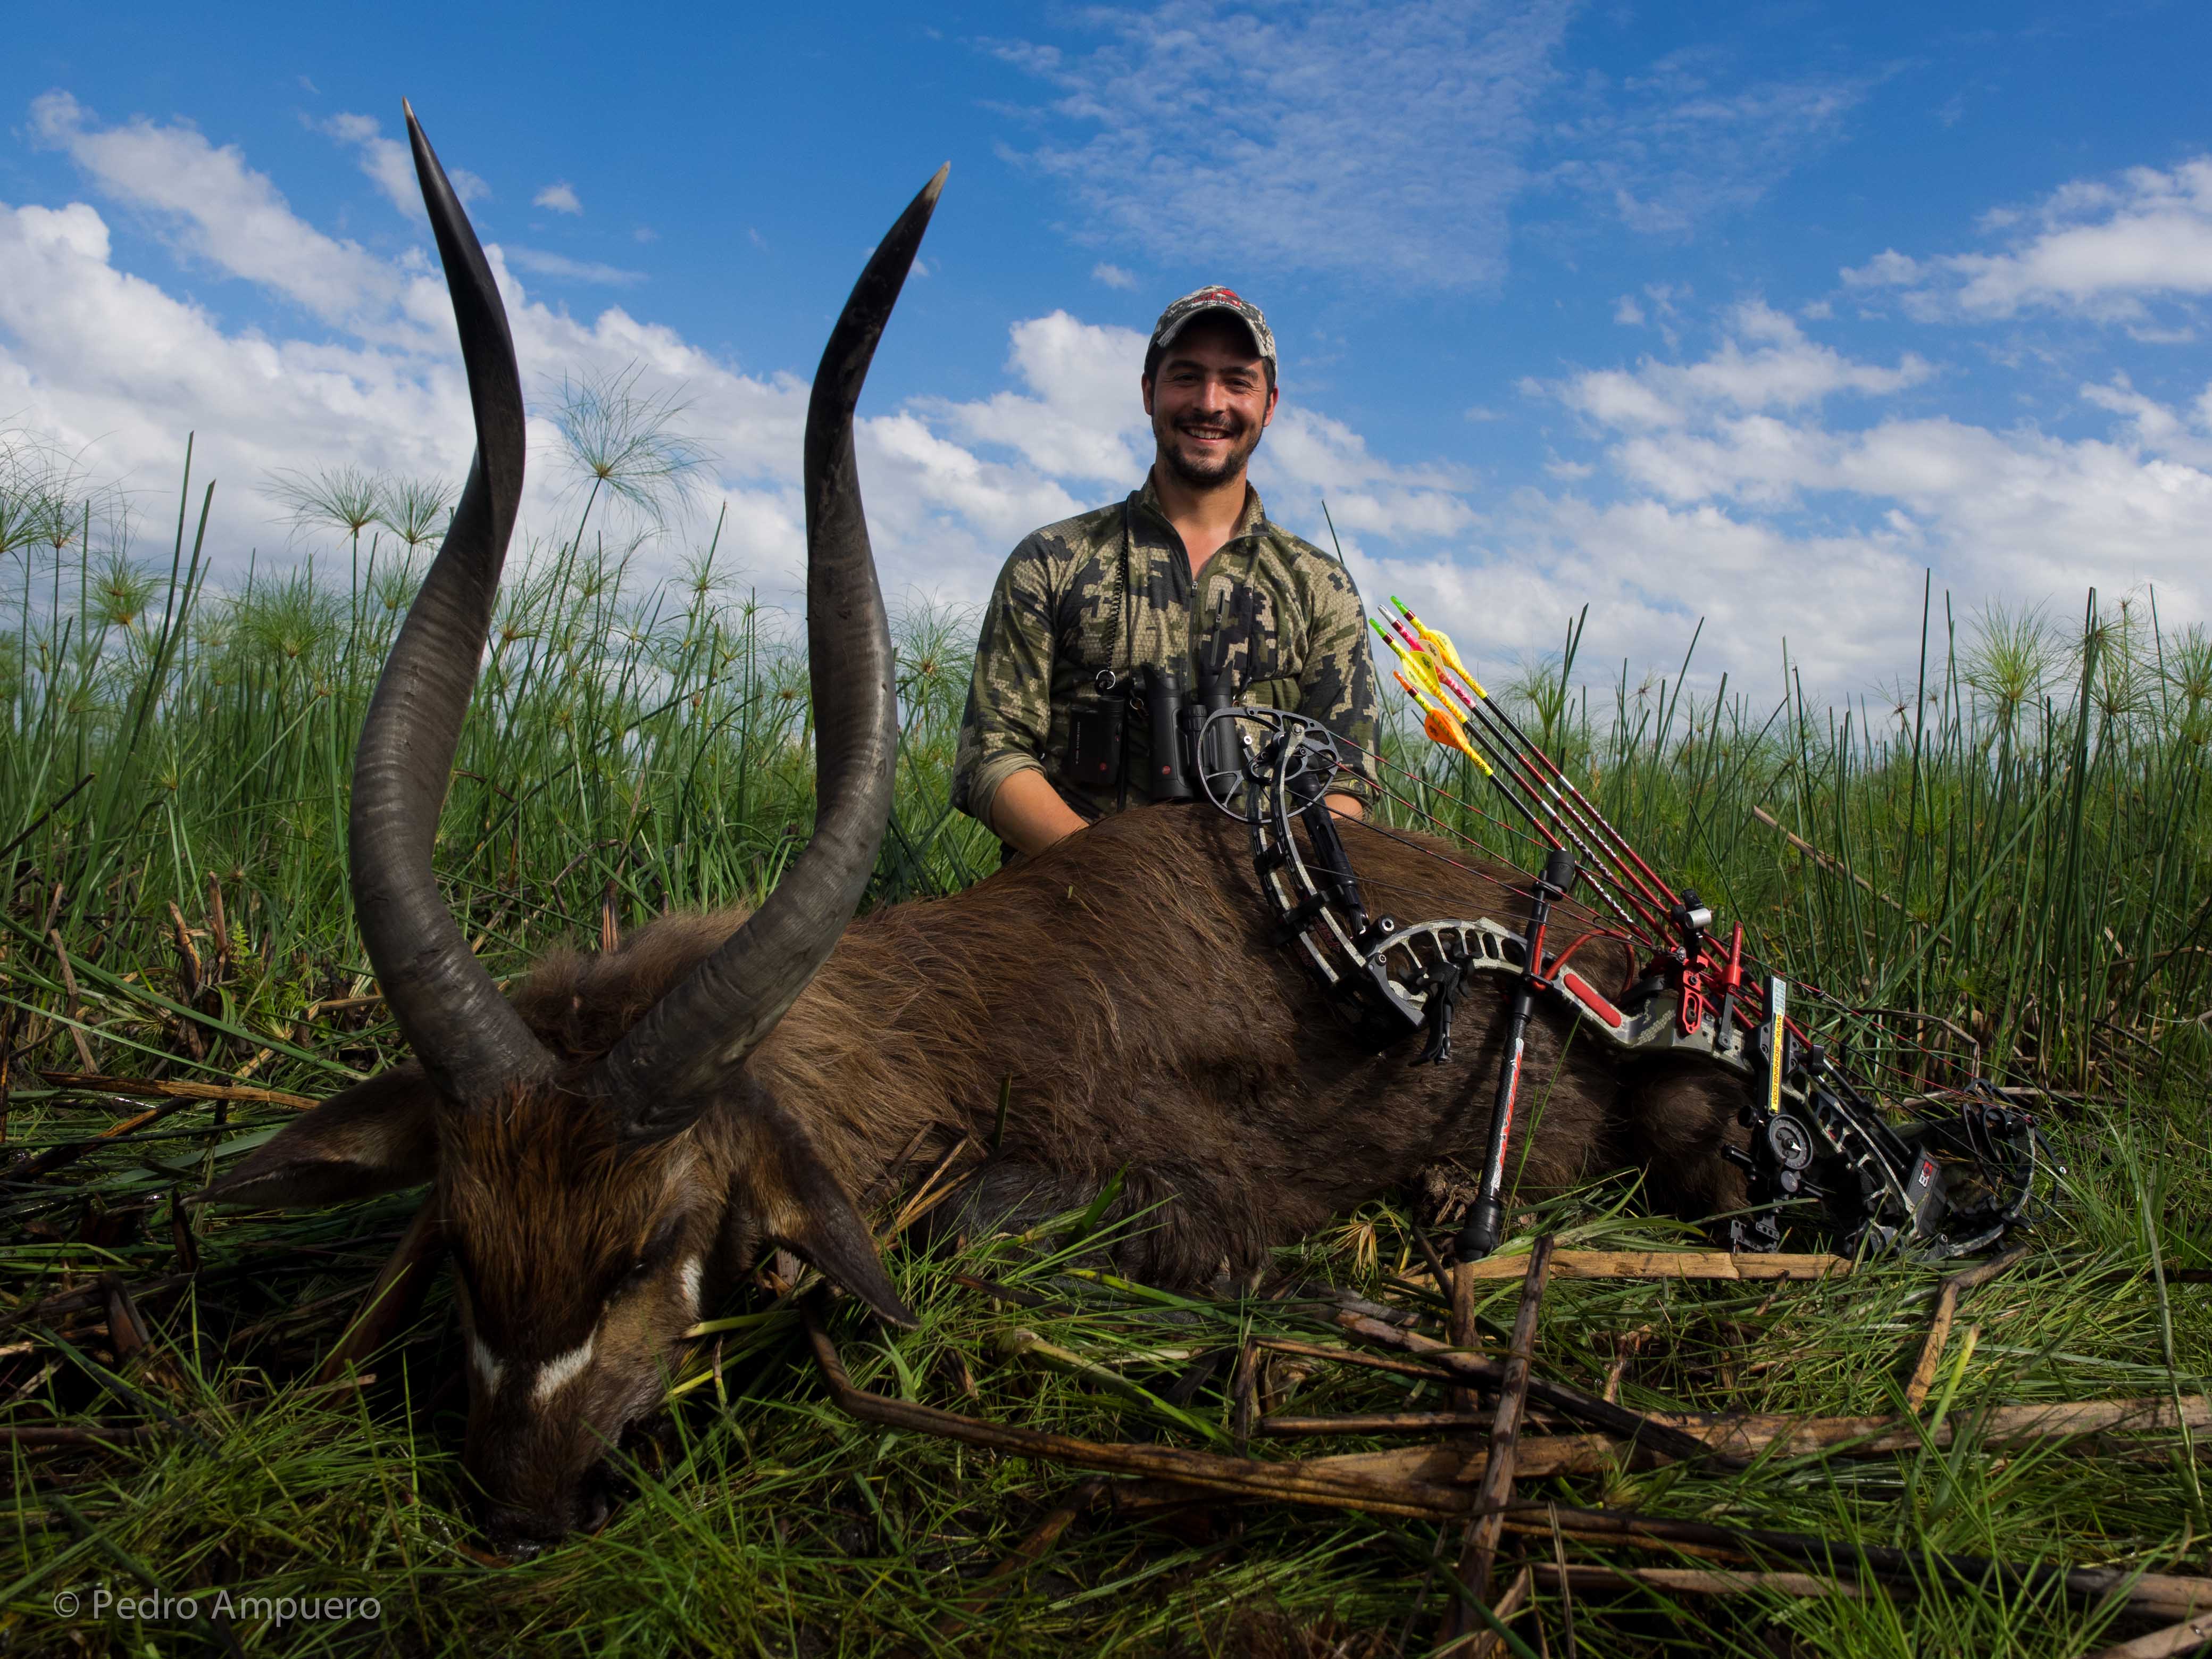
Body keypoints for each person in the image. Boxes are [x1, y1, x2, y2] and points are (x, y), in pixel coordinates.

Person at [952, 285, 1380, 858]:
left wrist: (1268, 884)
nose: (1210, 402)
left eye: (1236, 381)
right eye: (1186, 376)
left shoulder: (1320, 586)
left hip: (1259, 915)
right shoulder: (1052, 559)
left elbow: (1347, 778)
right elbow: (991, 753)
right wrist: (1125, 884)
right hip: (1074, 907)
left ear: (1269, 405)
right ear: (1149, 392)